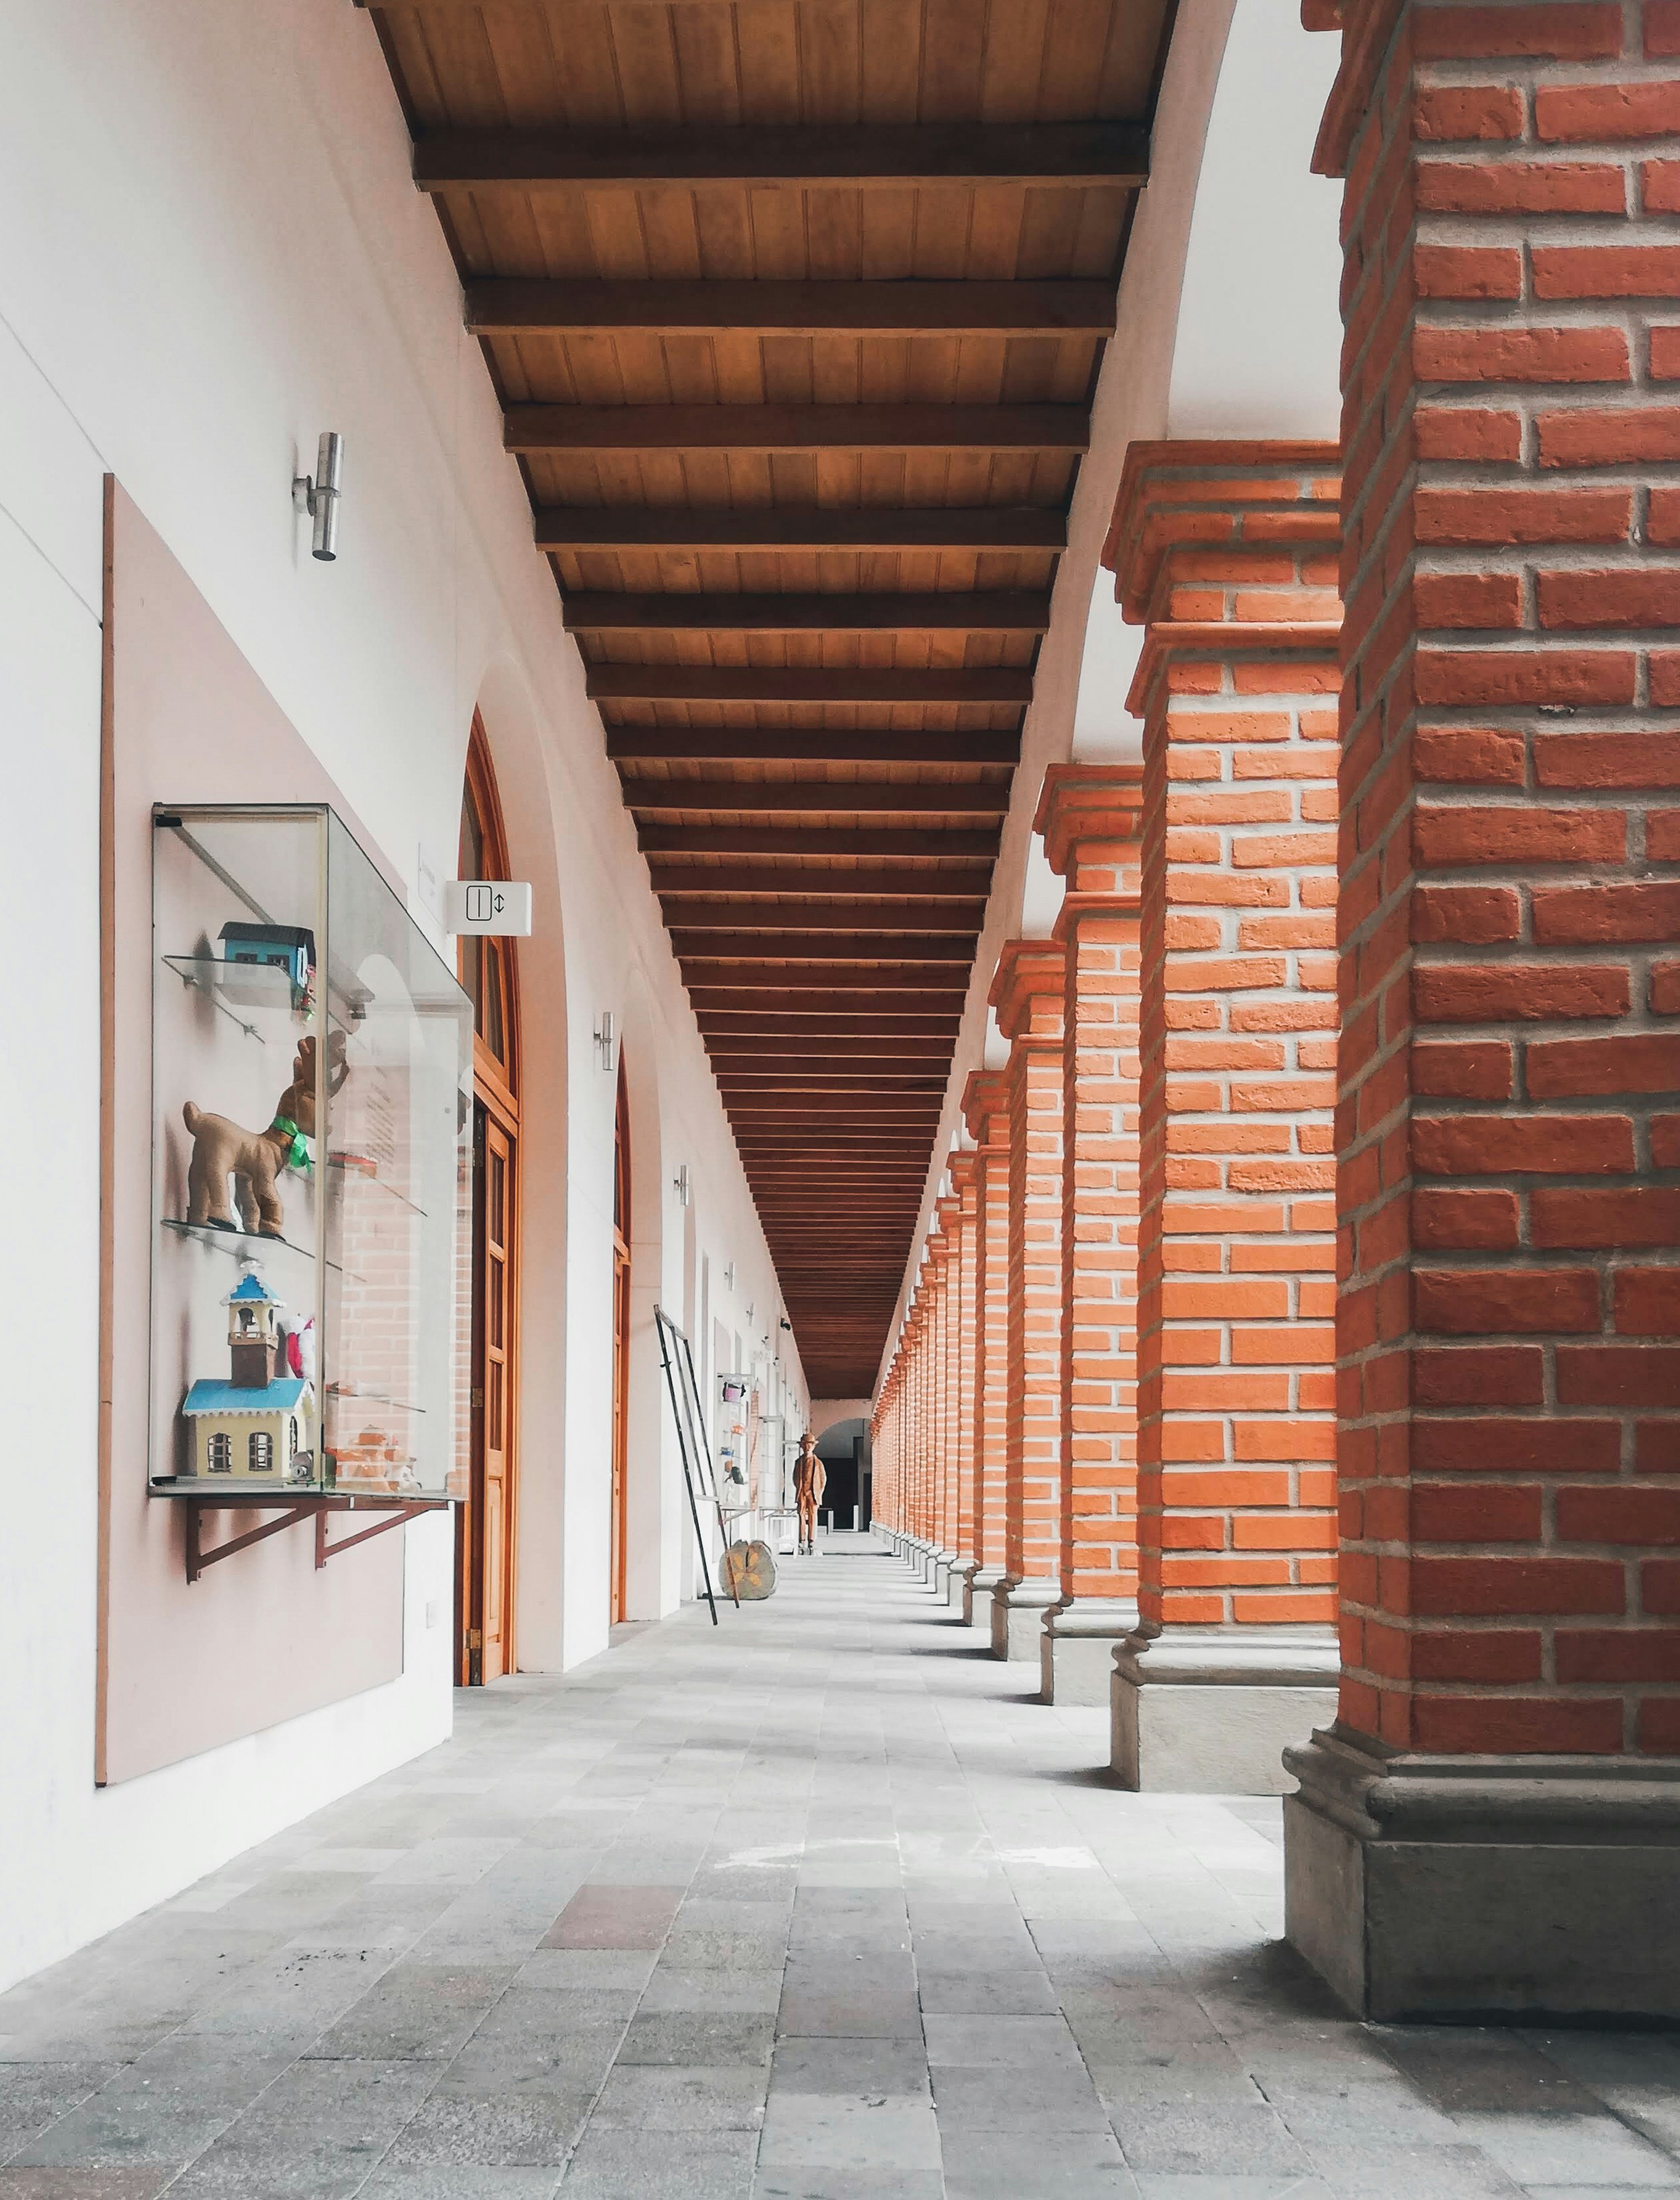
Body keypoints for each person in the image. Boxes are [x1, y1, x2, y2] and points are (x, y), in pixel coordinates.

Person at [793, 1430, 826, 1556]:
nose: (807, 1447)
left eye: (809, 1445)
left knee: (813, 1516)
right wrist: (800, 1488)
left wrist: (819, 1492)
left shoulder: (818, 1463)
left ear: (813, 1446)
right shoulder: (798, 1462)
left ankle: (811, 1540)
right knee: (801, 1515)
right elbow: (795, 1477)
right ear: (802, 1446)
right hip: (802, 1492)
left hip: (813, 1493)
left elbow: (823, 1479)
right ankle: (801, 1539)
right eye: (805, 1445)